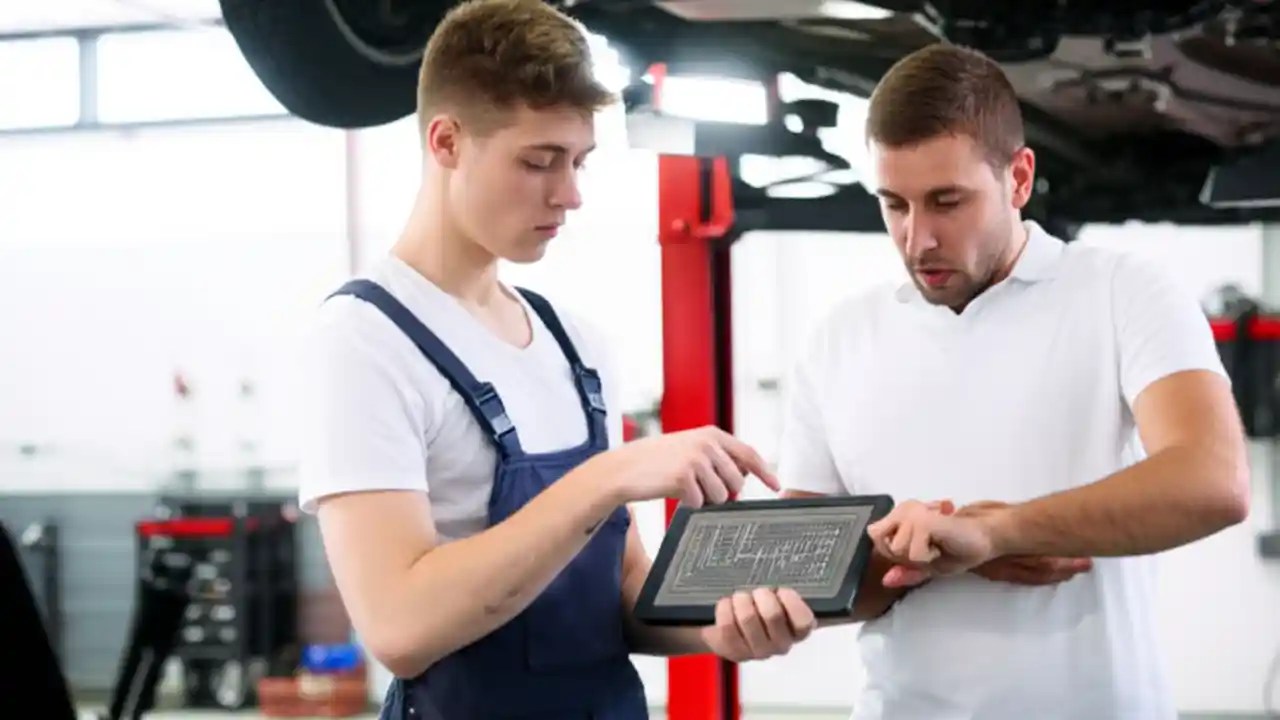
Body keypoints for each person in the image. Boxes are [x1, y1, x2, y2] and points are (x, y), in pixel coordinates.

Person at [294, 1, 816, 718]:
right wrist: (606, 478)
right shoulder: (365, 341)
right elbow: (400, 626)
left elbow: (625, 594)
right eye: (538, 161)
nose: (568, 194)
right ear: (446, 141)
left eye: (578, 162)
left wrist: (720, 626)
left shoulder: (577, 346)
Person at [777, 43, 1251, 720]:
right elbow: (804, 570)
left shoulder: (1123, 292)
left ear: (1019, 178)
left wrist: (1003, 532)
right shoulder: (838, 339)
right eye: (894, 205)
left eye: (947, 202)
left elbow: (1212, 479)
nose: (918, 240)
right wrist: (928, 554)